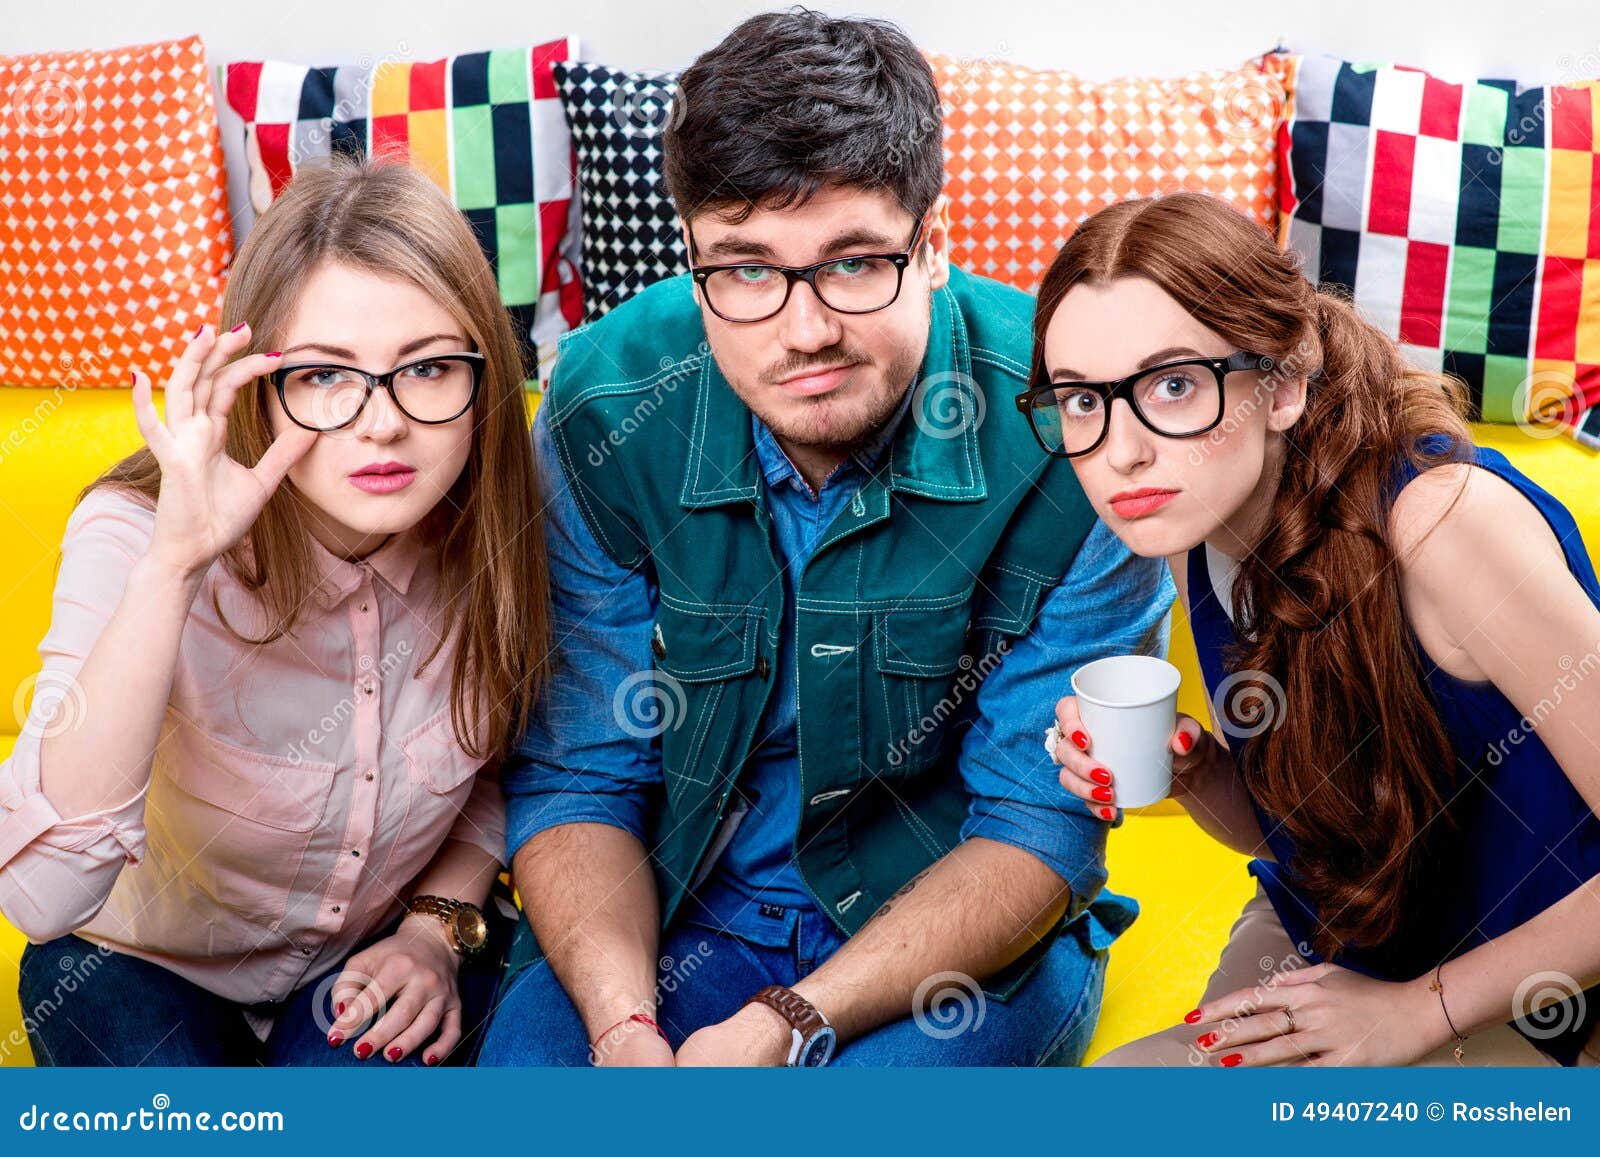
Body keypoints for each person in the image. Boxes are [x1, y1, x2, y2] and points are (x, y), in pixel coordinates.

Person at [476, 9, 1174, 1068]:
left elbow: (1036, 825)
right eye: (746, 270)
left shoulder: (1071, 424)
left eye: (852, 263)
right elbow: (580, 774)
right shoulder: (603, 403)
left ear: (931, 245)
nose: (803, 331)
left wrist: (787, 1022)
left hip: (949, 936)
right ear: (693, 260)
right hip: (671, 911)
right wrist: (624, 1023)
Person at [1025, 190, 1600, 1067]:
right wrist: (1200, 776)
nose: (1121, 451)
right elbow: (1317, 843)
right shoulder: (1192, 528)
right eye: (1081, 401)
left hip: (1542, 990)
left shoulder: (1444, 524)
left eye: (1173, 385)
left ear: (1285, 382)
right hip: (1352, 939)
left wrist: (1416, 1013)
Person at [1, 157, 549, 1066]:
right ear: (259, 384)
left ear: (483, 384)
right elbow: (45, 897)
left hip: (357, 959)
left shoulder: (498, 532)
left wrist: (433, 928)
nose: (383, 424)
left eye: (429, 367)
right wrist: (175, 566)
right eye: (326, 376)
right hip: (133, 962)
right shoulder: (135, 533)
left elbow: (494, 771)